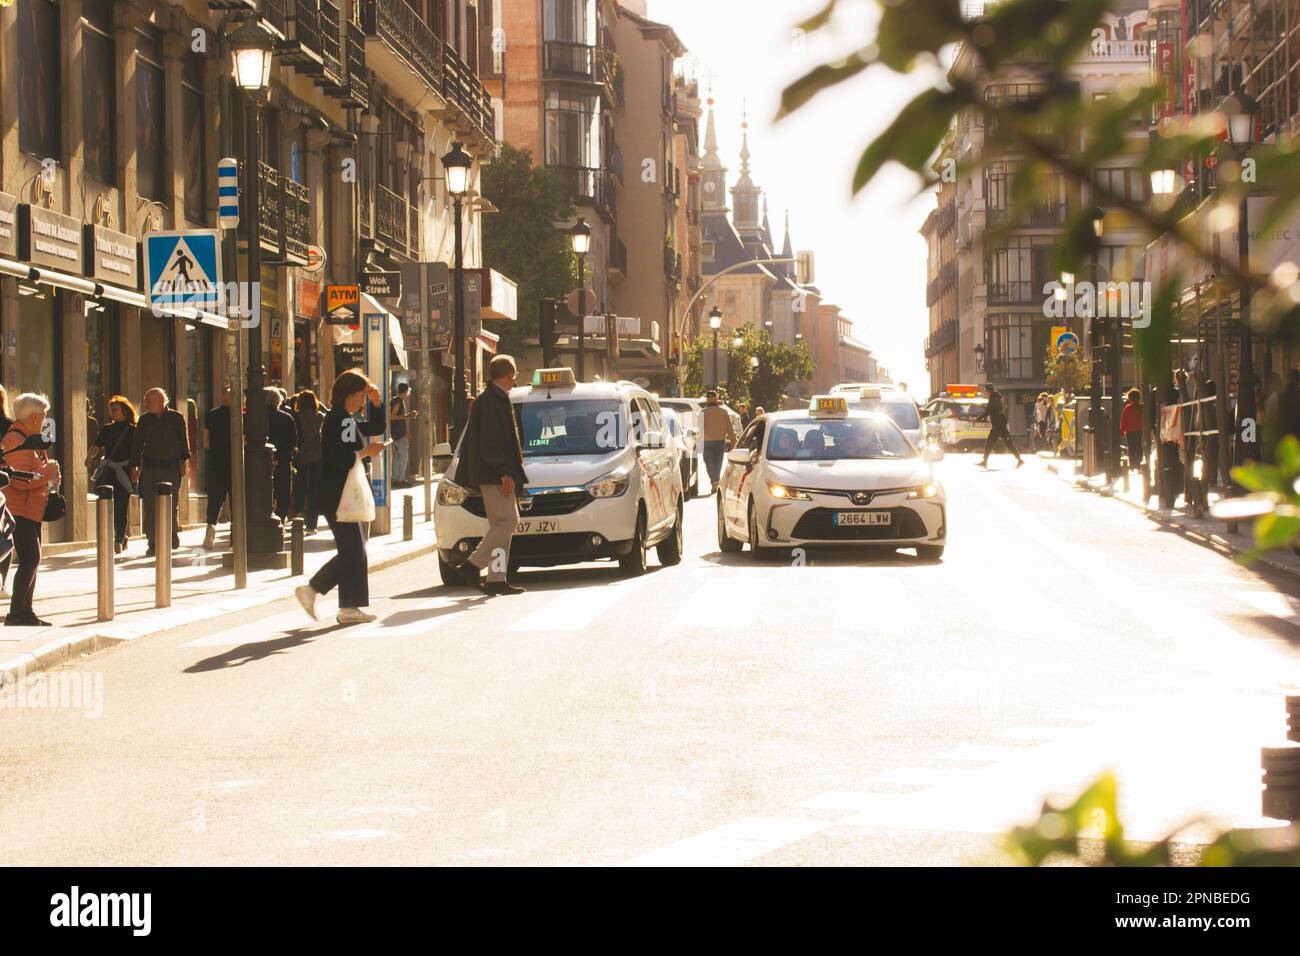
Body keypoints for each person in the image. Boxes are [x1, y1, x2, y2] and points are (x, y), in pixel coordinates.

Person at [295, 370, 387, 625]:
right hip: (339, 495)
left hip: (340, 495)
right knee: (354, 553)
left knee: (355, 551)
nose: (362, 401)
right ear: (348, 395)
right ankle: (312, 589)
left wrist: (377, 403)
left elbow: (375, 426)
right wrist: (366, 452)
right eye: (360, 396)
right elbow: (341, 458)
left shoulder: (344, 417)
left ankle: (349, 607)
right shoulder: (340, 419)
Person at [452, 355, 529, 596]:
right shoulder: (492, 401)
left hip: (493, 473)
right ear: (508, 375)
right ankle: (473, 565)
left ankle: (496, 578)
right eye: (513, 376)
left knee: (501, 525)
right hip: (495, 474)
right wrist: (504, 471)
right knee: (509, 522)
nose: (514, 380)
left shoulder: (492, 398)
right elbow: (491, 442)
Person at [3, 393, 61, 626]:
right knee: (30, 558)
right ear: (35, 416)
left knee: (33, 558)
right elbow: (18, 479)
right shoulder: (16, 439)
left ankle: (25, 610)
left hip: (30, 510)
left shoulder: (29, 437)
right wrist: (47, 472)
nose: (45, 419)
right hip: (20, 510)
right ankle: (18, 611)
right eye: (44, 415)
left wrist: (48, 469)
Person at [131, 388, 188, 556]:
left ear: (161, 401)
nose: (146, 403)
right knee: (150, 505)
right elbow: (137, 444)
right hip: (150, 468)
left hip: (171, 468)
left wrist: (184, 461)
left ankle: (171, 533)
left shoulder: (176, 418)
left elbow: (183, 441)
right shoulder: (144, 420)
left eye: (149, 400)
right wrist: (134, 466)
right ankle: (153, 541)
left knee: (171, 504)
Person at [86, 395, 138, 553]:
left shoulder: (133, 430)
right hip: (109, 471)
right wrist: (89, 456)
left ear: (124, 410)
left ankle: (119, 537)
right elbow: (97, 445)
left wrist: (135, 469)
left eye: (115, 409)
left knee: (121, 505)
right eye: (111, 410)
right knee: (106, 503)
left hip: (124, 471)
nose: (112, 413)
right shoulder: (108, 429)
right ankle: (111, 535)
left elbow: (136, 452)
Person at [202, 388, 233, 551]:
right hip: (234, 464)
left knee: (215, 499)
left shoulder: (212, 415)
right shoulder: (242, 415)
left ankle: (211, 528)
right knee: (236, 501)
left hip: (216, 462)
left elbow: (206, 442)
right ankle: (235, 538)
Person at [293, 389, 325, 533]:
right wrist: (318, 404)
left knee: (299, 485)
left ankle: (299, 512)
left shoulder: (295, 416)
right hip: (317, 456)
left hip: (299, 456)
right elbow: (327, 411)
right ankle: (312, 524)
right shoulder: (319, 416)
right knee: (315, 489)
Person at [266, 386, 299, 522]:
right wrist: (281, 457)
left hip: (262, 462)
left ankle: (268, 517)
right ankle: (280, 519)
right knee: (283, 493)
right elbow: (293, 441)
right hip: (283, 462)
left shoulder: (257, 418)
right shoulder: (287, 418)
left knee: (264, 492)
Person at [975, 383, 1024, 467]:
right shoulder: (997, 397)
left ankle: (985, 461)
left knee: (990, 442)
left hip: (998, 425)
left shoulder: (994, 397)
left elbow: (989, 410)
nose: (985, 393)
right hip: (1000, 425)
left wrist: (978, 418)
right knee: (1006, 443)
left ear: (988, 391)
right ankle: (1019, 459)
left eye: (985, 391)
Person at [700, 389, 738, 491]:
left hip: (707, 442)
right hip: (720, 441)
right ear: (716, 399)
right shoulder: (724, 412)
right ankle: (715, 480)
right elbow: (730, 428)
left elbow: (699, 431)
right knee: (718, 462)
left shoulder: (702, 413)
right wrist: (734, 441)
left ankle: (714, 481)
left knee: (709, 463)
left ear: (707, 400)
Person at [389, 382, 417, 487]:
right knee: (403, 457)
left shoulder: (394, 400)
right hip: (399, 435)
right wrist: (408, 416)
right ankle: (400, 480)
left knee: (396, 459)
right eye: (408, 391)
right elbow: (392, 417)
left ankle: (396, 479)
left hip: (395, 434)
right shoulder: (398, 402)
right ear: (405, 391)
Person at [0, 387, 13, 597]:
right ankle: (2, 585)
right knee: (7, 529)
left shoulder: (8, 424)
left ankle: (2, 585)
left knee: (8, 526)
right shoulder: (8, 424)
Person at [1119, 387, 1143, 471]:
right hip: (1140, 430)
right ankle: (1139, 463)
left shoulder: (1127, 408)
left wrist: (1122, 431)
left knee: (1132, 448)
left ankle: (1133, 465)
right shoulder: (1142, 407)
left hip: (1130, 431)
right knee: (1139, 447)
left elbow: (1123, 420)